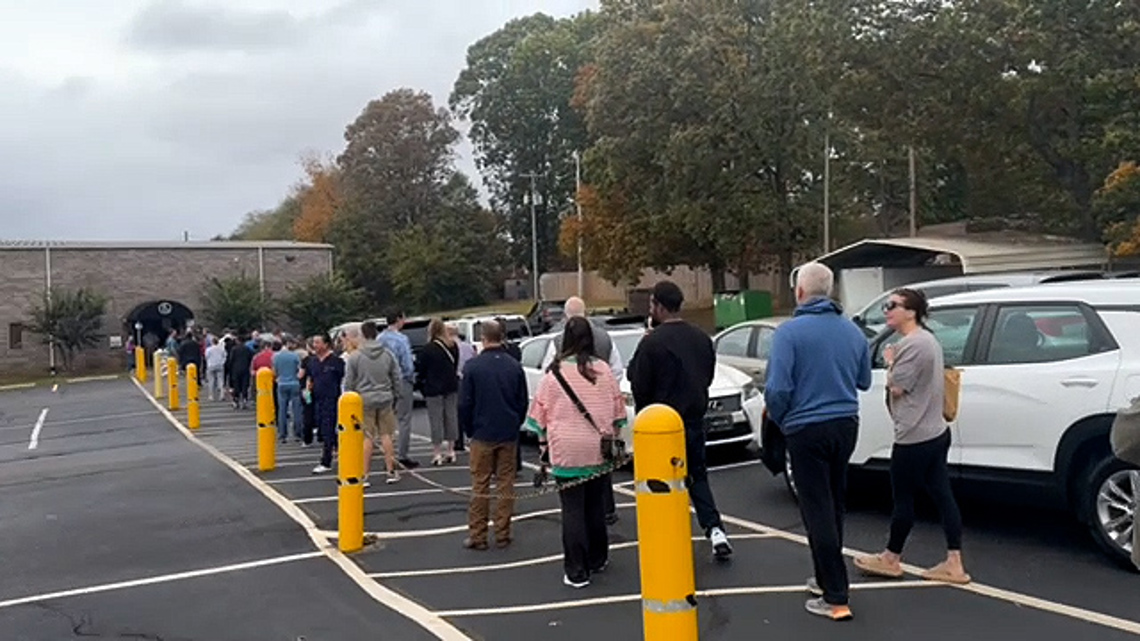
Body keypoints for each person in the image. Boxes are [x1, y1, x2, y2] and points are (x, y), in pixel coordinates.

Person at [764, 262, 871, 621]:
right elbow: (864, 380)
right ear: (830, 291)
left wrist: (782, 420)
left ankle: (836, 595)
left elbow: (777, 389)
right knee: (834, 502)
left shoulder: (788, 334)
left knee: (816, 509)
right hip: (846, 423)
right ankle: (826, 577)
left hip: (806, 426)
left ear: (799, 292)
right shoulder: (852, 331)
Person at [854, 288, 970, 585]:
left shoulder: (913, 344)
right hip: (935, 430)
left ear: (911, 312)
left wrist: (890, 362)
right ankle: (954, 562)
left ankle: (891, 558)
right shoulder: (928, 339)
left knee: (903, 499)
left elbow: (898, 388)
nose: (887, 311)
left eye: (893, 305)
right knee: (942, 494)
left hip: (914, 436)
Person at [628, 281, 732, 559]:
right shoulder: (701, 338)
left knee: (662, 483)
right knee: (697, 476)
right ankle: (715, 530)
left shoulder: (652, 343)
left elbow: (637, 382)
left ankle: (668, 535)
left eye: (652, 304)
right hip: (694, 420)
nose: (650, 310)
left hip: (661, 426)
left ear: (660, 307)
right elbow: (707, 376)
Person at [526, 317, 626, 588]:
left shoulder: (553, 375)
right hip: (598, 448)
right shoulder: (603, 370)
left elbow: (538, 420)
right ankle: (598, 557)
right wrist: (613, 436)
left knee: (572, 510)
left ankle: (577, 570)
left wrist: (544, 451)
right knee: (595, 506)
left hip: (566, 451)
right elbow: (618, 413)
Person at [542, 296, 625, 525]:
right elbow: (617, 372)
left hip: (567, 432)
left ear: (565, 317)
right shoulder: (605, 340)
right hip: (599, 423)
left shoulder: (557, 343)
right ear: (586, 313)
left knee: (573, 504)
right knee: (601, 476)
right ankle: (608, 511)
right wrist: (601, 393)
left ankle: (578, 545)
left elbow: (546, 382)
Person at [458, 319, 529, 550]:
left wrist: (469, 429)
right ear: (502, 337)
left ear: (483, 339)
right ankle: (503, 532)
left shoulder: (473, 367)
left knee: (480, 484)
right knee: (505, 484)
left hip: (482, 432)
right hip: (508, 431)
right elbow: (522, 400)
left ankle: (478, 535)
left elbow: (464, 403)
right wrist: (515, 422)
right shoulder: (514, 366)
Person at [344, 321, 404, 486]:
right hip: (385, 397)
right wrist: (396, 394)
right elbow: (396, 376)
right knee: (387, 435)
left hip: (364, 399)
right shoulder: (387, 354)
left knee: (367, 437)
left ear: (362, 335)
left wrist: (348, 399)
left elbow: (349, 381)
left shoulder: (355, 357)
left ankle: (365, 474)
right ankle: (390, 470)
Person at [380, 310, 420, 470]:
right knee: (404, 419)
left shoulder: (380, 339)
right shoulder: (401, 339)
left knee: (386, 421)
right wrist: (411, 377)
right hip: (402, 380)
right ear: (398, 319)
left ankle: (388, 456)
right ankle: (402, 455)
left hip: (384, 382)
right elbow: (407, 363)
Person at [418, 319, 460, 466]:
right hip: (451, 386)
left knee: (436, 420)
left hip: (433, 388)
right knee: (451, 417)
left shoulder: (427, 349)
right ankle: (451, 450)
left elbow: (421, 370)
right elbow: (455, 365)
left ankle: (437, 453)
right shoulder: (453, 346)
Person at [308, 333, 346, 475]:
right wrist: (308, 388)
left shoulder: (337, 362)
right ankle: (340, 452)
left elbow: (343, 379)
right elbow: (311, 377)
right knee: (324, 430)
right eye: (314, 342)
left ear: (326, 344)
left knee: (329, 429)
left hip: (333, 399)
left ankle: (326, 461)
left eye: (318, 342)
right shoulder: (313, 362)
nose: (315, 345)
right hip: (318, 399)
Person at [273, 338, 304, 445]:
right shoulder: (295, 356)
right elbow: (300, 370)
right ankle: (297, 434)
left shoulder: (276, 357)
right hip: (294, 383)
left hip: (282, 383)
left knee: (282, 410)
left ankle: (282, 434)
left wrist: (278, 378)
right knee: (296, 410)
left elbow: (274, 372)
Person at [227, 335, 253, 410]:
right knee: (245, 384)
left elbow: (231, 360)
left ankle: (236, 399)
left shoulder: (234, 349)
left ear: (237, 341)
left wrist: (229, 369)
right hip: (245, 369)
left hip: (235, 369)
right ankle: (244, 399)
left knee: (236, 385)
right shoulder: (247, 349)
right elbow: (250, 358)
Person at [204, 337, 227, 402]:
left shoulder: (208, 349)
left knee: (211, 381)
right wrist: (222, 362)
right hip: (219, 365)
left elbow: (206, 356)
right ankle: (222, 395)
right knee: (220, 380)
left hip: (211, 365)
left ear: (212, 342)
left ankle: (211, 396)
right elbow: (225, 356)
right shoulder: (221, 349)